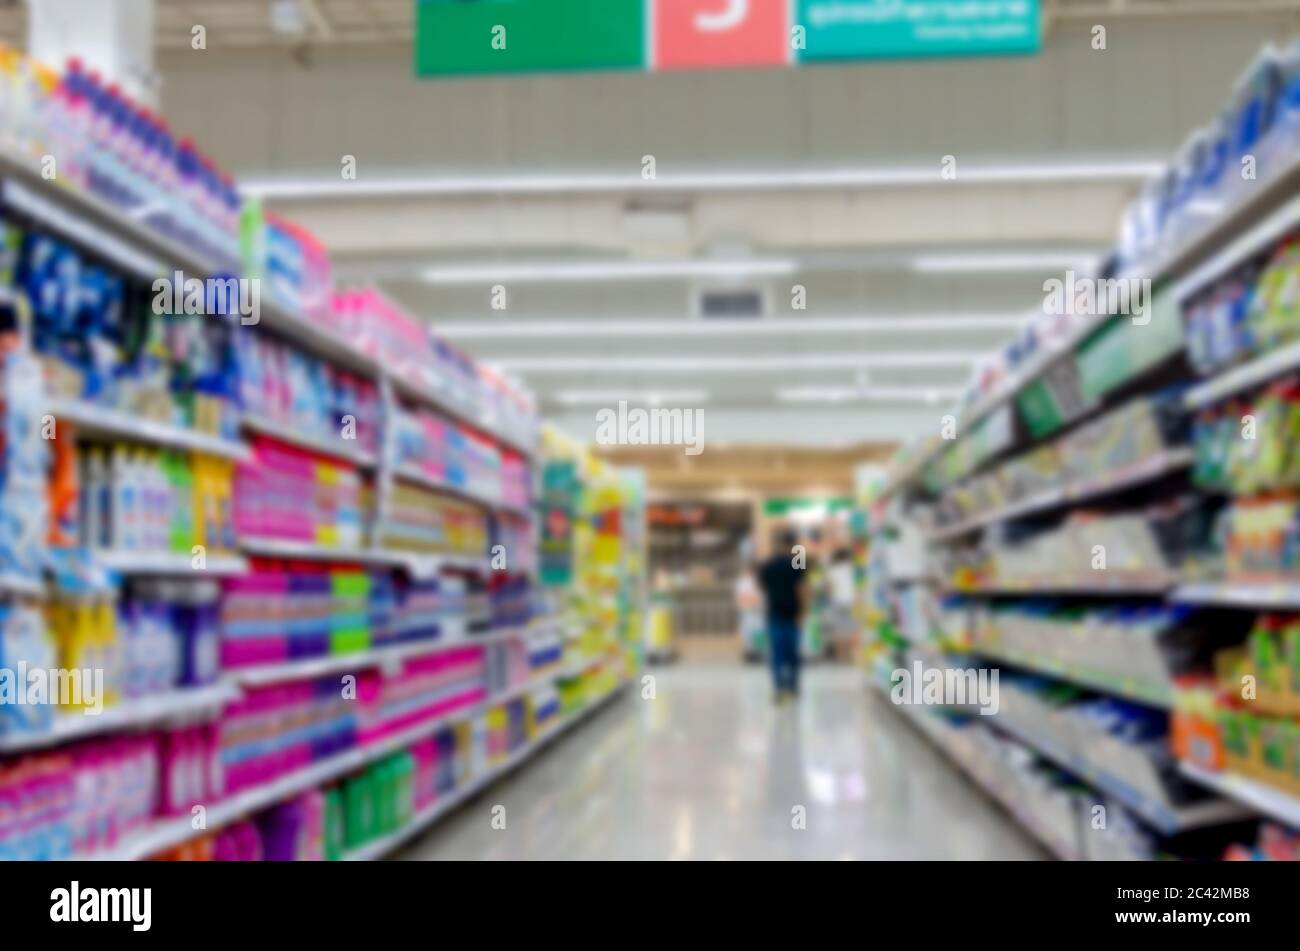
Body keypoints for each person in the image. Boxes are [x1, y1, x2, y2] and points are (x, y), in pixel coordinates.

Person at [758, 529, 808, 703]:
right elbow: (801, 589)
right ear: (793, 544)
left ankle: (779, 688)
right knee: (793, 654)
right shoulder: (797, 562)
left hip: (774, 614)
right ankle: (793, 688)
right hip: (792, 615)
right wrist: (802, 613)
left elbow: (763, 588)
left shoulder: (768, 564)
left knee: (777, 655)